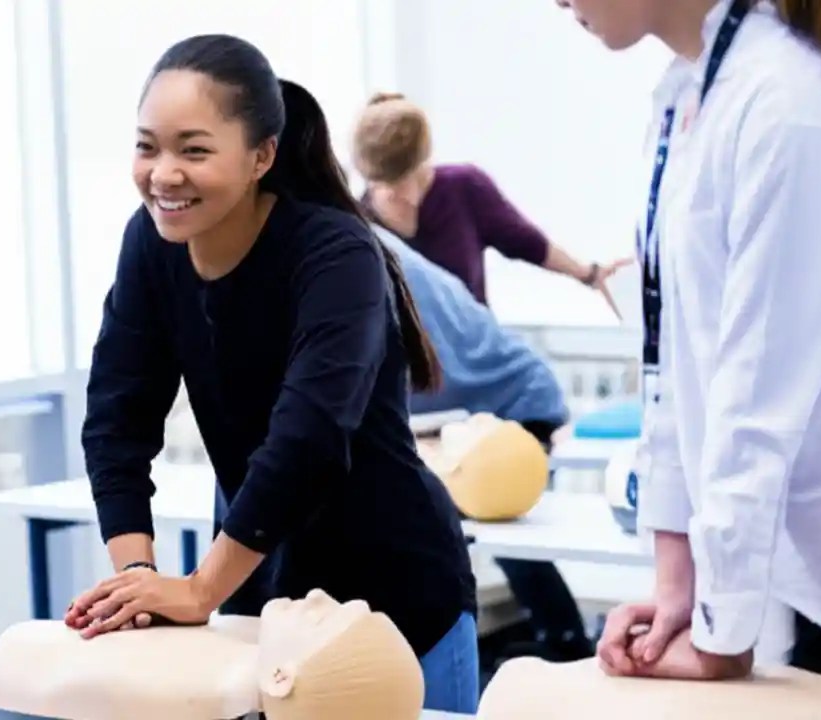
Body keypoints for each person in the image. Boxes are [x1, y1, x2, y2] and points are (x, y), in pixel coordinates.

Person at [64, 34, 481, 713]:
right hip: (261, 594)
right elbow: (116, 418)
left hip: (393, 596)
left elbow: (307, 436)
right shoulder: (151, 242)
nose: (163, 174)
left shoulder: (334, 252)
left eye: (193, 150)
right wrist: (137, 578)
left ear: (262, 155)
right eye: (147, 147)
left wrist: (200, 588)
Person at [554, 0, 821, 690]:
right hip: (795, 575)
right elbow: (673, 360)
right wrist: (680, 587)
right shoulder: (688, 96)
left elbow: (756, 398)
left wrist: (720, 632)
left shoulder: (788, 105)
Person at [372, 220, 593, 664]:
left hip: (512, 403)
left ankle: (564, 646)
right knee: (483, 538)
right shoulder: (371, 246)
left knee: (484, 538)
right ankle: (558, 642)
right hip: (493, 403)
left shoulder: (355, 257)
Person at [351, 92, 631, 313]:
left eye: (407, 180)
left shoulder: (464, 188)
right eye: (386, 185)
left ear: (423, 161)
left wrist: (590, 275)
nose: (404, 196)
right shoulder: (357, 222)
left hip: (470, 355)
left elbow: (528, 242)